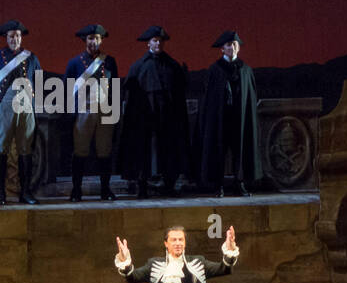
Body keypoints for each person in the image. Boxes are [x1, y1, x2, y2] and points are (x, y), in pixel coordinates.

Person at [119, 26, 190, 198]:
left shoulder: (172, 65)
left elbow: (179, 92)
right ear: (148, 43)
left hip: (168, 118)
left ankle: (169, 184)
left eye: (160, 40)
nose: (158, 43)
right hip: (145, 119)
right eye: (155, 40)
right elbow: (131, 96)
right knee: (144, 151)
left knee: (169, 150)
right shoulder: (138, 67)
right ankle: (142, 185)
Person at [198, 30, 262, 197]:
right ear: (222, 49)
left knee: (240, 150)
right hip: (220, 118)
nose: (232, 47)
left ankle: (239, 183)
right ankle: (218, 185)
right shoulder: (214, 70)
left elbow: (251, 96)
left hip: (239, 118)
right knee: (218, 150)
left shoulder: (246, 70)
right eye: (228, 45)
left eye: (234, 44)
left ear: (238, 48)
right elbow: (208, 98)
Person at [0, 19, 42, 205]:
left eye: (17, 36)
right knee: (1, 148)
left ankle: (25, 192)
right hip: (5, 106)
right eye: (11, 36)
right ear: (6, 38)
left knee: (25, 149)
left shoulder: (32, 58)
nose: (14, 39)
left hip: (26, 106)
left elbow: (39, 83)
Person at [64, 24, 120, 201]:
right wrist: (71, 114)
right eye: (90, 38)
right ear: (84, 40)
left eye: (97, 38)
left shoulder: (110, 61)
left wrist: (115, 112)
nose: (94, 41)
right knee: (80, 152)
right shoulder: (74, 63)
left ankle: (105, 189)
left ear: (101, 40)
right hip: (83, 111)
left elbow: (115, 89)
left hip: (105, 111)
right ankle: (76, 190)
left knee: (105, 152)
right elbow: (67, 90)